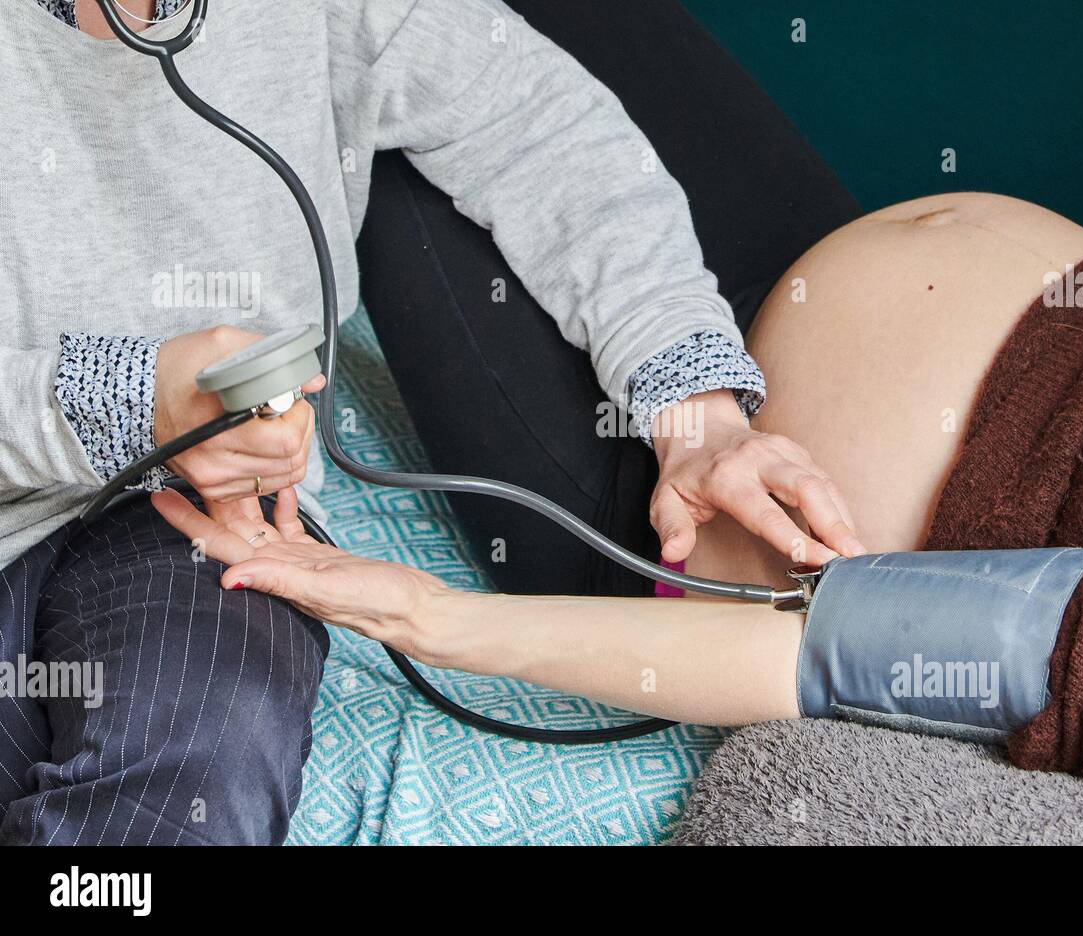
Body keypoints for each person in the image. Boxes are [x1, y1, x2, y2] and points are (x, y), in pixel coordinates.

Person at [1, 0, 864, 843]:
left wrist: (697, 415)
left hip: (194, 521)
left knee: (205, 748)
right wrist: (115, 399)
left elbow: (545, 134)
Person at [157, 190, 1083, 784]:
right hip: (764, 298)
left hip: (673, 536)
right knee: (495, 48)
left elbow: (835, 650)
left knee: (374, 111)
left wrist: (434, 616)